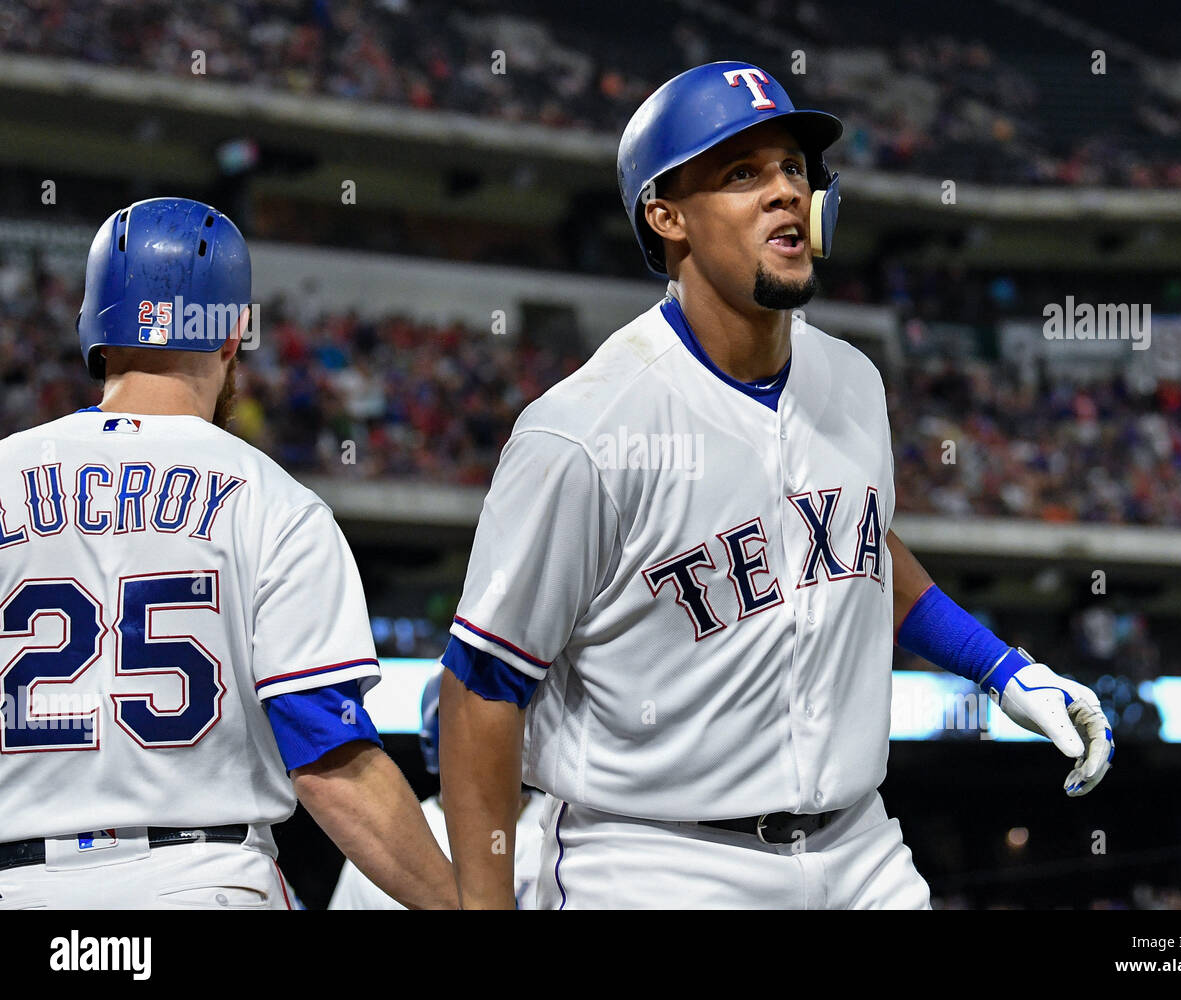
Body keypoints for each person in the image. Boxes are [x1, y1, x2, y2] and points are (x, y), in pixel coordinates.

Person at [438, 62, 1113, 909]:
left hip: (863, 846)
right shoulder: (583, 431)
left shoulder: (855, 381)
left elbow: (853, 545)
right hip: (661, 863)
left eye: (794, 168)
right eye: (741, 174)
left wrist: (1003, 670)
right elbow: (480, 691)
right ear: (667, 215)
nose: (785, 192)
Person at [0, 197, 456, 909]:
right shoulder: (277, 503)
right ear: (233, 333)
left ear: (93, 328)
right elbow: (328, 763)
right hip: (203, 881)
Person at [329, 670, 545, 909]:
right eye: (459, 717)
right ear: (431, 742)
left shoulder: (567, 823)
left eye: (494, 712)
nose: (480, 731)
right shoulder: (385, 842)